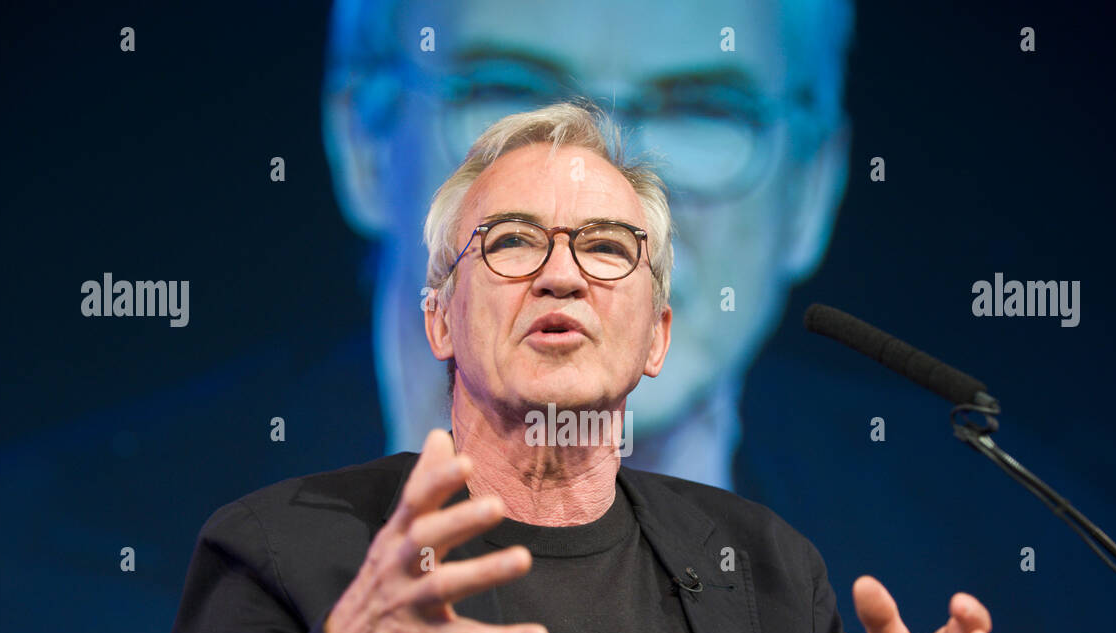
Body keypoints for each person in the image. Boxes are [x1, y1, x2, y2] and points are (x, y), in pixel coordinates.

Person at [135, 102, 1009, 633]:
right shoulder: (287, 548)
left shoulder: (768, 569)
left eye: (606, 247)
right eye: (513, 241)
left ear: (656, 336)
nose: (562, 273)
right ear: (439, 317)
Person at [323, 0, 854, 488]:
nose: (602, 203)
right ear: (366, 143)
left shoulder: (930, 532)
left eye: (702, 111)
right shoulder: (243, 518)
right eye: (514, 94)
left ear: (810, 186)